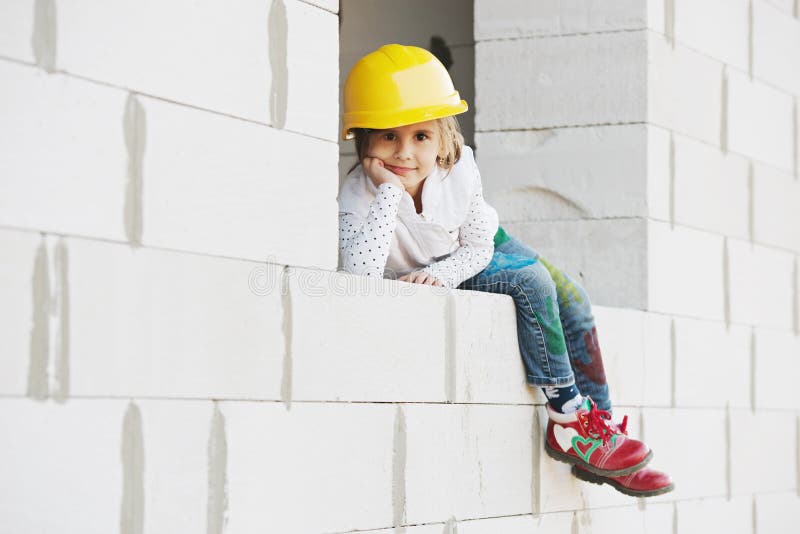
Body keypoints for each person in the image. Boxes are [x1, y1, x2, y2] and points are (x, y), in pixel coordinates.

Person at [338, 44, 673, 498]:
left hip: (474, 250)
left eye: (420, 136)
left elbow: (479, 247)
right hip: (439, 261)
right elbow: (358, 276)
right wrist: (388, 196)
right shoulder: (360, 195)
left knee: (570, 295)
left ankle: (599, 435)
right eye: (388, 137)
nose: (405, 152)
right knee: (531, 282)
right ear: (365, 140)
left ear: (442, 138)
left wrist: (445, 275)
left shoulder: (458, 172)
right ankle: (568, 420)